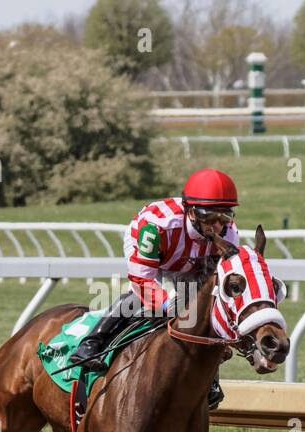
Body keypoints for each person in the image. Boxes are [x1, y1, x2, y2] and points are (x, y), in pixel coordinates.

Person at [68, 168, 240, 409]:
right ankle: (91, 344)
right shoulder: (157, 225)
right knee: (148, 298)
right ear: (191, 210)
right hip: (155, 252)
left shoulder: (229, 233)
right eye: (209, 216)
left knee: (198, 306)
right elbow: (142, 281)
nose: (216, 226)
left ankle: (209, 379)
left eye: (224, 217)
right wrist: (168, 304)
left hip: (189, 261)